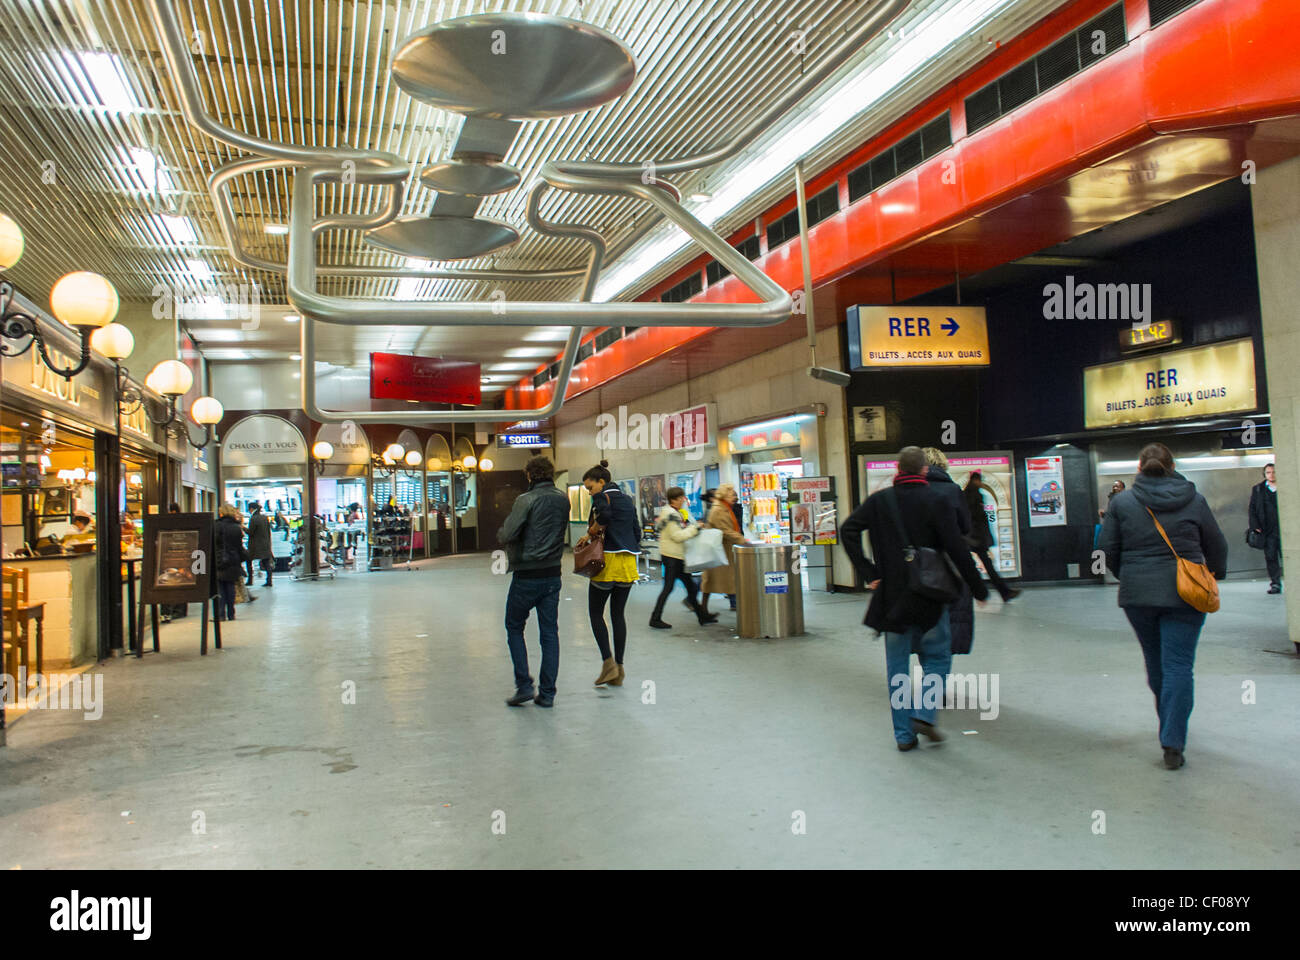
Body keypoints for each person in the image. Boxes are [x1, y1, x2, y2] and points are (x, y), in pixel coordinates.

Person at [841, 446, 990, 751]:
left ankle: (903, 735)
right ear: (924, 470)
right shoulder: (938, 500)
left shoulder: (880, 501)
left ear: (898, 469)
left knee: (897, 667)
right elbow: (958, 549)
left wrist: (869, 572)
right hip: (931, 596)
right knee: (937, 657)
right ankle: (924, 712)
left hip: (892, 599)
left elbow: (848, 530)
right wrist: (978, 588)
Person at [1099, 442, 1227, 770]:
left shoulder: (1122, 502)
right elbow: (1217, 544)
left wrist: (1127, 574)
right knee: (1179, 666)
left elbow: (1107, 549)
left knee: (1155, 663)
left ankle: (1169, 724)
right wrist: (1215, 575)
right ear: (1172, 466)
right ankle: (1173, 741)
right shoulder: (1194, 499)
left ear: (1139, 468)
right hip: (1187, 594)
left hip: (1138, 594)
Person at [496, 454, 569, 708]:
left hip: (526, 574)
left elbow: (508, 533)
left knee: (514, 626)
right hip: (552, 574)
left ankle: (524, 685)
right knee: (550, 633)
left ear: (529, 475)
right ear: (550, 473)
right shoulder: (563, 498)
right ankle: (547, 694)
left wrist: (503, 532)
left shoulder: (525, 500)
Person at [582, 461, 641, 686]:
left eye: (590, 487)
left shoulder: (602, 497)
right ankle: (621, 668)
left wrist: (591, 532)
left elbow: (604, 517)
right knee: (618, 615)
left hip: (607, 562)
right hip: (628, 563)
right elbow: (636, 530)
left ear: (601, 482)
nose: (590, 492)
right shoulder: (627, 499)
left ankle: (608, 664)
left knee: (596, 613)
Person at [923, 448, 976, 657]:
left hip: (921, 563)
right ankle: (938, 676)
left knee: (926, 618)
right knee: (952, 615)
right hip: (951, 561)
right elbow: (965, 527)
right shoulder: (953, 490)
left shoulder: (913, 490)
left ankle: (928, 668)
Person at [649, 487, 716, 630]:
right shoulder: (671, 515)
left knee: (689, 587)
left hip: (675, 556)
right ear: (673, 499)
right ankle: (655, 618)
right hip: (673, 557)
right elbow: (677, 536)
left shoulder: (672, 513)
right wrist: (695, 528)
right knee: (670, 588)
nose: (683, 501)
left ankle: (702, 616)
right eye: (680, 498)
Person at [962, 471, 1021, 602]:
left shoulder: (965, 495)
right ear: (976, 481)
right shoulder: (975, 495)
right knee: (988, 566)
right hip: (976, 538)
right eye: (979, 480)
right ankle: (1002, 592)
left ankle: (1001, 592)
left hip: (970, 538)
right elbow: (979, 519)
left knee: (975, 566)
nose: (980, 483)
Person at [701, 483, 745, 618]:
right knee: (712, 580)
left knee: (715, 580)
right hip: (718, 549)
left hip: (723, 549)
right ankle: (703, 610)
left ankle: (703, 610)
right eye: (732, 494)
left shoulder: (725, 507)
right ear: (724, 495)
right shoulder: (718, 510)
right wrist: (743, 540)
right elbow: (725, 530)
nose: (735, 497)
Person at [1249, 463, 1282, 593]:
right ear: (1265, 474)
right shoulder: (1258, 489)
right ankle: (1275, 583)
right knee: (1271, 557)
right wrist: (1255, 526)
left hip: (1284, 529)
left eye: (1273, 472)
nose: (1271, 475)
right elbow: (1252, 508)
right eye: (1268, 472)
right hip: (1267, 530)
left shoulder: (1286, 485)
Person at [214, 504, 249, 622]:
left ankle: (220, 614)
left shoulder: (216, 526)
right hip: (233, 559)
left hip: (220, 559)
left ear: (221, 513)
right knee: (230, 586)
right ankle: (231, 613)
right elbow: (239, 546)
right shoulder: (236, 527)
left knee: (220, 587)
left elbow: (213, 543)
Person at [247, 502, 274, 587]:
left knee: (248, 561)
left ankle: (250, 580)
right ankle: (269, 581)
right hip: (265, 544)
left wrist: (242, 527)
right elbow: (268, 532)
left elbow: (250, 532)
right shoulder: (265, 518)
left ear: (251, 509)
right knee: (266, 563)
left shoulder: (253, 518)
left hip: (255, 546)